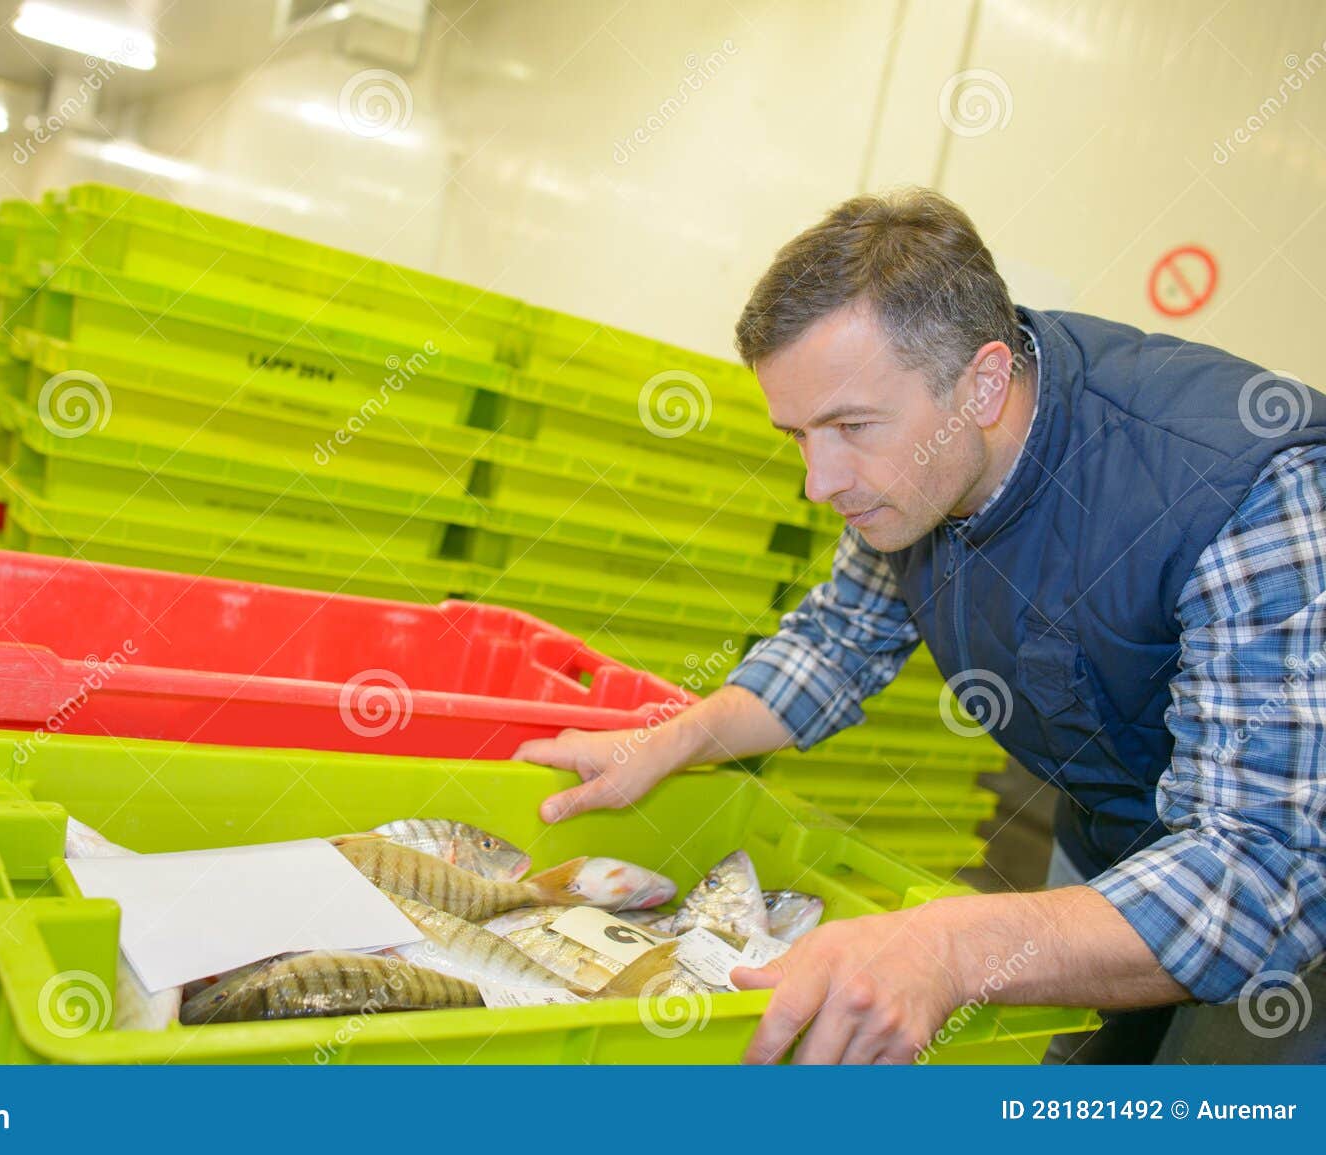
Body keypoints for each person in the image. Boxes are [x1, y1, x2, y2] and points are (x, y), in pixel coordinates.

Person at [514, 187, 1326, 1065]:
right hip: (1114, 837)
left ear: (982, 383)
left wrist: (949, 946)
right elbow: (836, 642)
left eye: (850, 427)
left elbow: (1264, 873)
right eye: (797, 434)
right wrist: (669, 742)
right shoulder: (917, 467)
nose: (820, 481)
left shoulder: (1247, 493)